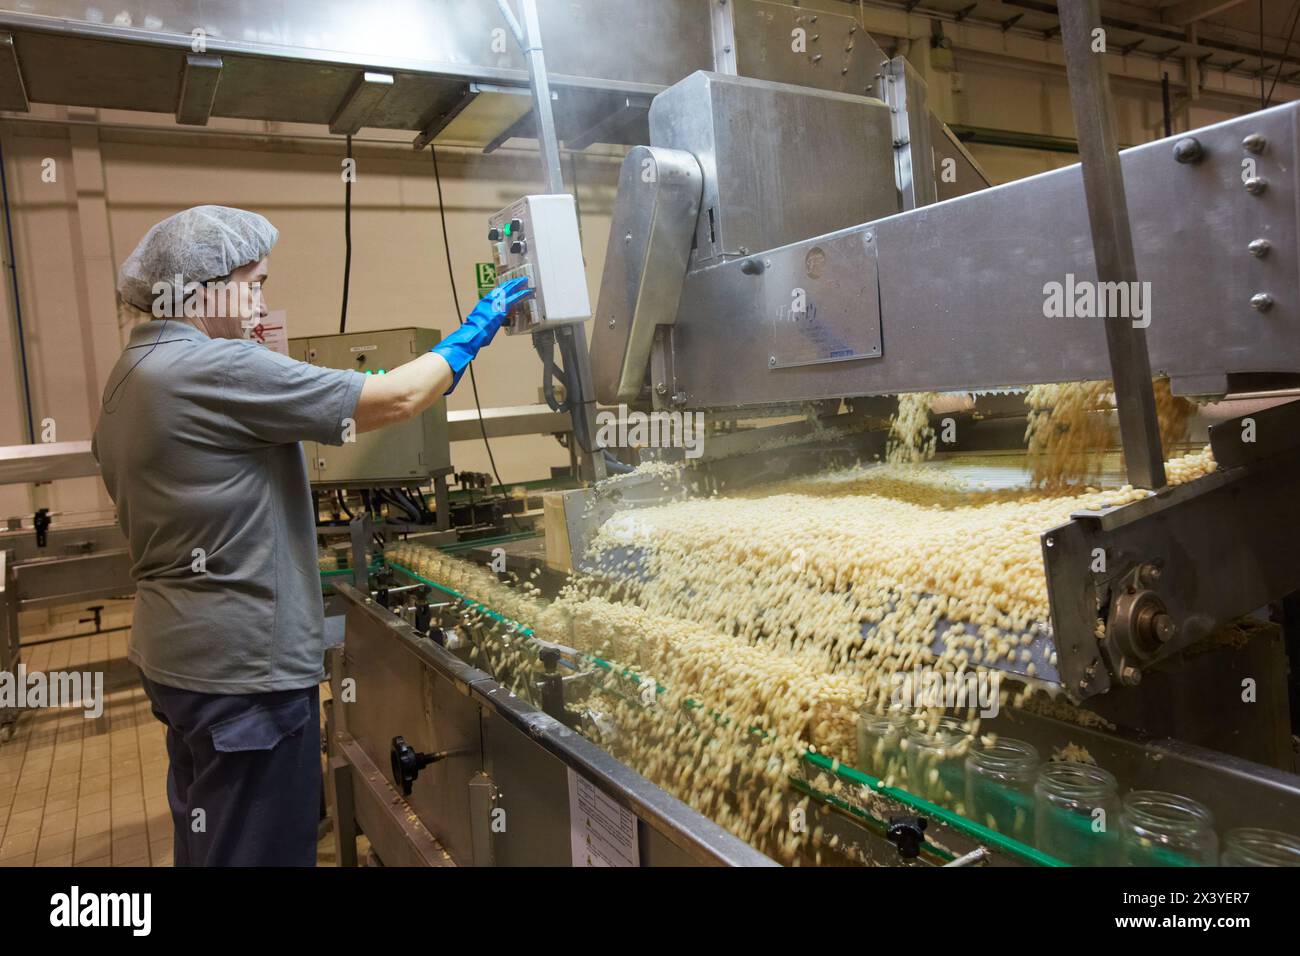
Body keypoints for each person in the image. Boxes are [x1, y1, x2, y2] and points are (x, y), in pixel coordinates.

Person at [92, 204, 530, 866]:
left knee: (211, 841)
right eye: (256, 281)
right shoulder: (214, 367)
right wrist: (477, 326)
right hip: (245, 673)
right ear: (203, 286)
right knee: (261, 851)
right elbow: (396, 398)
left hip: (176, 659)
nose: (264, 300)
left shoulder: (127, 378)